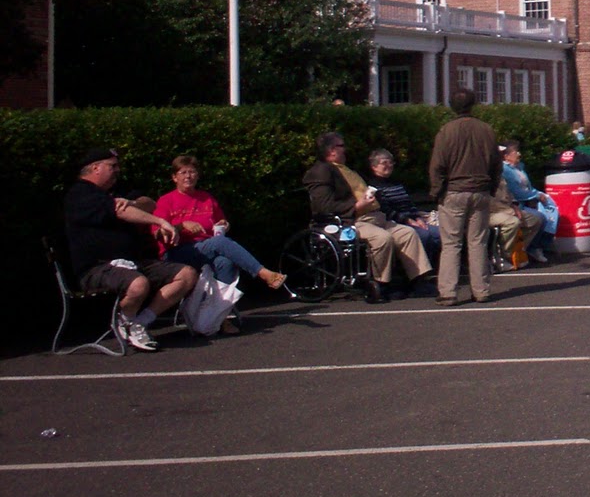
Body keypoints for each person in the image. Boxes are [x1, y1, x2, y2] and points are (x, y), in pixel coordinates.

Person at [63, 149, 198, 352]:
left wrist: (134, 202)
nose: (117, 170)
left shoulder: (118, 189)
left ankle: (139, 322)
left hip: (134, 262)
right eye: (112, 166)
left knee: (187, 274)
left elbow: (150, 203)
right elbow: (121, 212)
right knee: (137, 284)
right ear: (95, 168)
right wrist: (160, 221)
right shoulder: (81, 194)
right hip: (98, 268)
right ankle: (125, 322)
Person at [154, 156, 289, 324]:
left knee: (225, 262)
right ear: (174, 177)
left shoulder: (207, 198)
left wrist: (224, 225)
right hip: (177, 251)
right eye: (183, 172)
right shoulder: (166, 201)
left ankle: (217, 316)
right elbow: (157, 233)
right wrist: (181, 226)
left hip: (206, 248)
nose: (188, 176)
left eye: (192, 172)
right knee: (218, 244)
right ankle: (263, 273)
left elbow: (221, 222)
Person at [305, 131, 432, 304]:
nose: (345, 149)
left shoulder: (348, 170)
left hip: (376, 217)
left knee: (407, 234)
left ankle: (417, 280)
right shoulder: (321, 171)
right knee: (382, 238)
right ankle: (381, 284)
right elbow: (323, 206)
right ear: (331, 150)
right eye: (342, 146)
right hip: (352, 221)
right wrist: (357, 206)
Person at [428, 88, 502, 304]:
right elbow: (496, 164)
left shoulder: (446, 131)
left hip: (454, 190)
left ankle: (448, 292)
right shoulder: (486, 130)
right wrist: (491, 187)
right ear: (473, 104)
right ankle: (481, 290)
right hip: (480, 190)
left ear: (452, 107)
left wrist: (436, 191)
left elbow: (437, 165)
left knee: (452, 243)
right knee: (478, 242)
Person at [367, 149, 441, 262]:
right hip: (396, 224)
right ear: (374, 166)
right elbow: (386, 211)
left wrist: (418, 218)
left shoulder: (396, 183)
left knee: (439, 233)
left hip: (413, 220)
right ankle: (421, 270)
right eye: (384, 163)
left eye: (391, 162)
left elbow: (409, 204)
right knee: (424, 235)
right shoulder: (374, 187)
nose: (389, 165)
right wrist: (408, 221)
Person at [494, 140, 555, 266]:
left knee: (547, 213)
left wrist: (538, 195)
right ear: (506, 156)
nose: (519, 154)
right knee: (533, 218)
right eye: (516, 152)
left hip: (513, 204)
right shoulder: (503, 170)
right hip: (499, 208)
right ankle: (507, 254)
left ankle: (527, 249)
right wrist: (533, 197)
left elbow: (524, 188)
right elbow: (513, 192)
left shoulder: (519, 167)